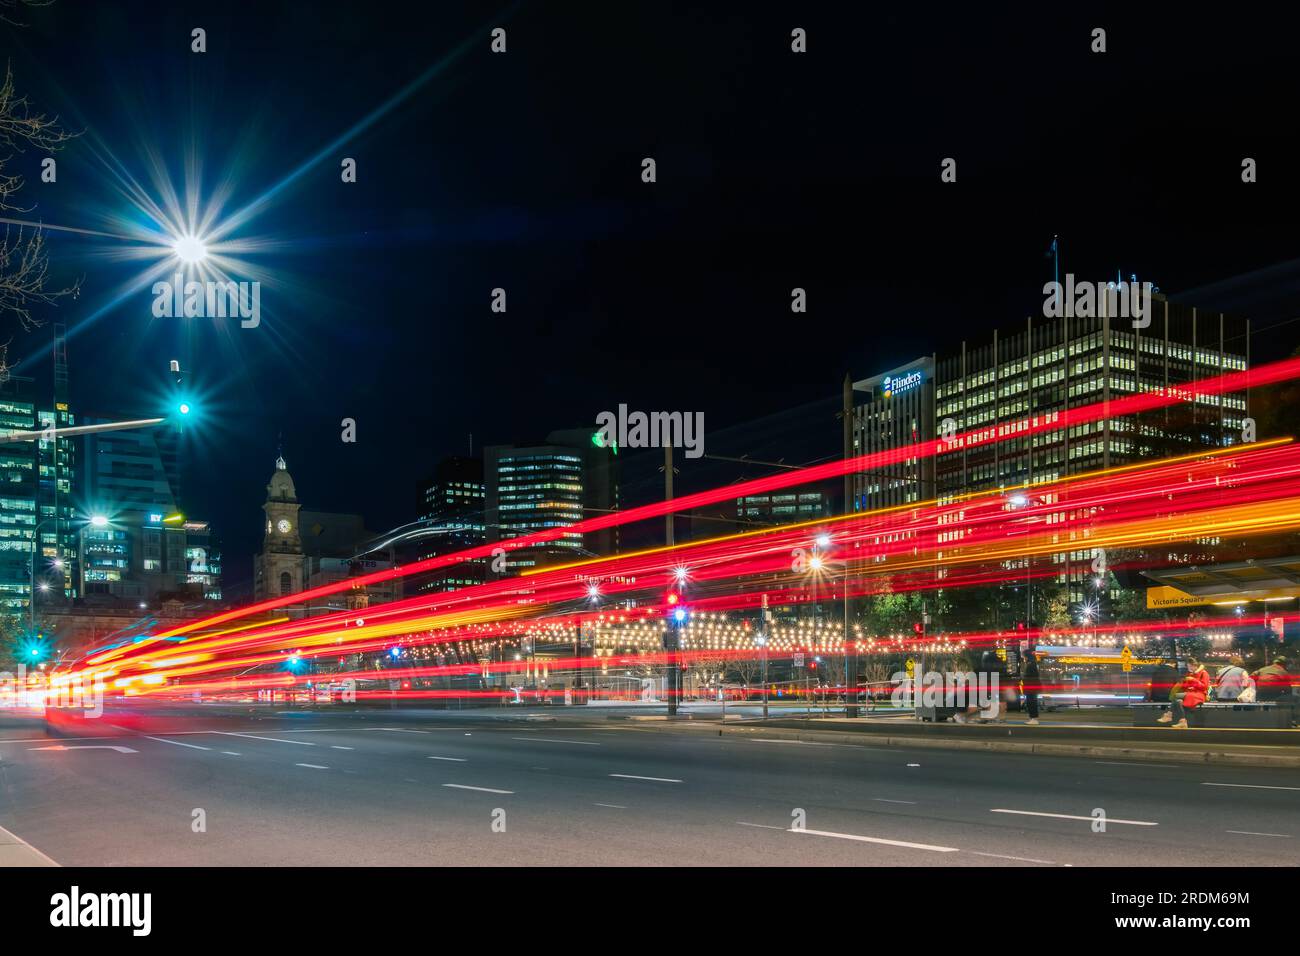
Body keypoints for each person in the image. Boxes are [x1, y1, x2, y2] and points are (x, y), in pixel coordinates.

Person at [1157, 657, 1209, 728]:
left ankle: (1169, 715)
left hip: (1199, 694)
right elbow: (1185, 686)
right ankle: (1182, 721)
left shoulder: (1204, 673)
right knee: (1178, 701)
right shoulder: (1190, 674)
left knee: (1176, 696)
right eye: (1187, 666)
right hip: (1189, 693)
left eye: (1189, 666)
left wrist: (1193, 680)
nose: (1188, 668)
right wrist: (1184, 683)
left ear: (1194, 665)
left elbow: (1204, 687)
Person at [1022, 651, 1041, 725]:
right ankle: (1033, 718)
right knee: (1031, 702)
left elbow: (1029, 676)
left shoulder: (1031, 664)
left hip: (1031, 687)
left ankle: (1034, 718)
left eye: (1024, 656)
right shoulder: (1032, 664)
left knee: (1031, 702)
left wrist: (1023, 678)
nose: (1023, 658)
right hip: (1032, 686)